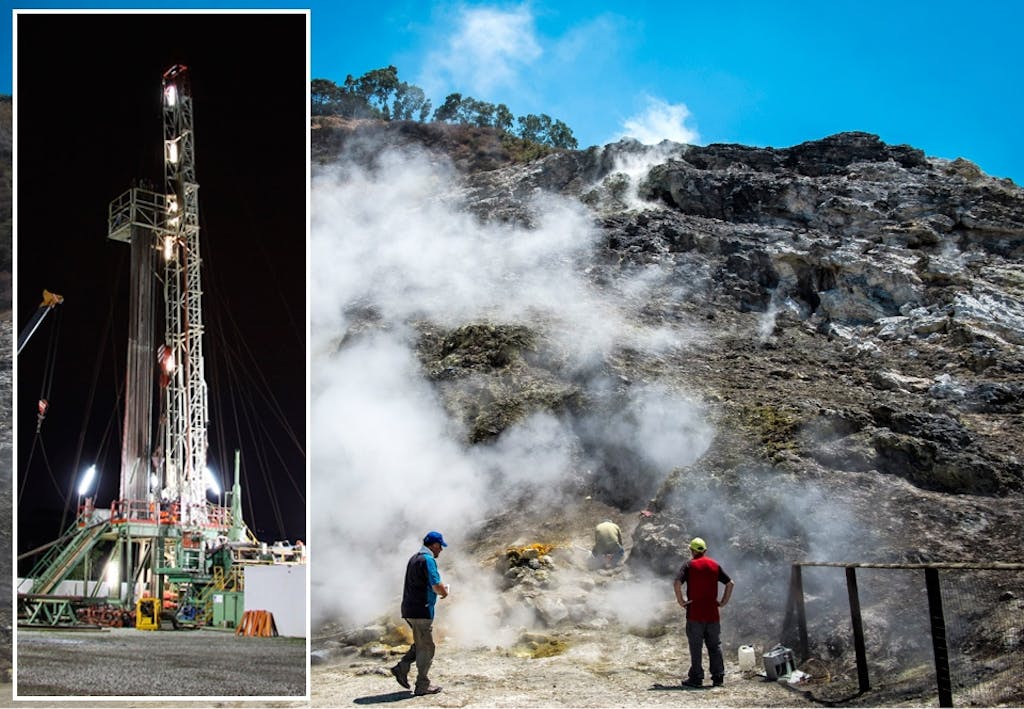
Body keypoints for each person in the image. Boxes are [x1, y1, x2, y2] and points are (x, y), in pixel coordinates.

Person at [391, 531, 450, 696]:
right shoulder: (428, 560)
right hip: (421, 610)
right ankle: (422, 685)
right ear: (434, 545)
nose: (441, 551)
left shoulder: (414, 558)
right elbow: (436, 585)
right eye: (440, 547)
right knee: (427, 647)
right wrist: (445, 593)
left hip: (409, 609)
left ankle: (401, 667)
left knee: (420, 642)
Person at [674, 536, 734, 688]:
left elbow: (677, 583)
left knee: (696, 647)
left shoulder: (689, 565)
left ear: (692, 550)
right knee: (715, 645)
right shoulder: (714, 565)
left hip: (695, 613)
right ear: (705, 550)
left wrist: (681, 601)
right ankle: (718, 676)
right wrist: (723, 602)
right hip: (712, 613)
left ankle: (696, 678)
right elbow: (730, 583)